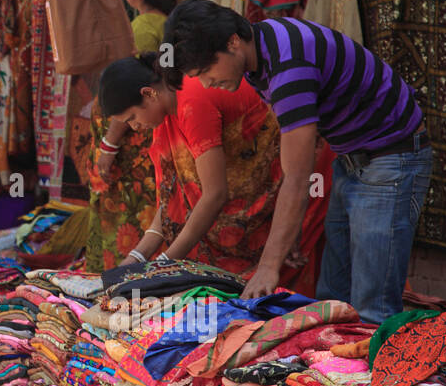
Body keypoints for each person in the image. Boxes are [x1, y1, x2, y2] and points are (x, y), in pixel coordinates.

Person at [164, 0, 430, 322]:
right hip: (353, 159)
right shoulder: (261, 54)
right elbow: (297, 150)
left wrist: (267, 266)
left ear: (232, 42)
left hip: (390, 157)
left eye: (206, 71)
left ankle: (378, 371)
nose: (207, 84)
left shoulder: (288, 66)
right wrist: (288, 232)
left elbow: (297, 177)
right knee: (333, 299)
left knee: (371, 309)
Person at [98, 52, 334, 297]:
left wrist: (162, 267)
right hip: (259, 187)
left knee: (273, 292)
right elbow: (174, 197)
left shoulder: (191, 102)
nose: (135, 127)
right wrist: (138, 257)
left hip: (299, 174)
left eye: (132, 118)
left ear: (148, 93)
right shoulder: (168, 114)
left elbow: (215, 194)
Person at [86, 0, 178, 268]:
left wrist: (109, 144)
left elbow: (132, 95)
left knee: (127, 215)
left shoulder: (142, 28)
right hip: (149, 136)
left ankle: (126, 270)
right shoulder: (170, 21)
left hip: (133, 150)